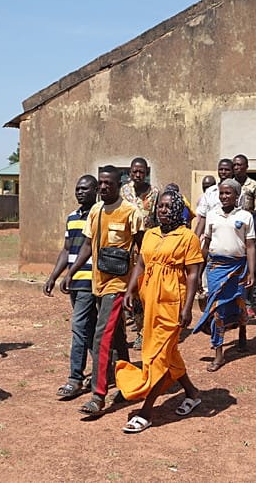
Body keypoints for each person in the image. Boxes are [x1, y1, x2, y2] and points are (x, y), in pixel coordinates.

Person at [114, 190, 204, 433]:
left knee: (158, 356)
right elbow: (141, 264)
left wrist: (188, 308)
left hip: (173, 303)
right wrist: (130, 290)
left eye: (167, 206)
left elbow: (193, 274)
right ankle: (192, 392)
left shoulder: (188, 238)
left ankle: (146, 411)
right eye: (160, 206)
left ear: (177, 210)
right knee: (168, 352)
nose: (163, 210)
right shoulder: (151, 234)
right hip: (150, 301)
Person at [63, 165, 144, 417]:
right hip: (98, 282)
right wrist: (71, 272)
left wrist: (135, 286)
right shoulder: (96, 211)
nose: (104, 186)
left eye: (109, 183)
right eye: (101, 182)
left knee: (101, 336)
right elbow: (88, 245)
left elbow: (143, 250)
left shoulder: (130, 212)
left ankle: (98, 396)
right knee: (117, 335)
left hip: (119, 285)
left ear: (119, 185)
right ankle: (129, 382)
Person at [44, 175, 99, 399]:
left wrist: (70, 274)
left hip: (89, 279)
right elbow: (67, 249)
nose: (80, 192)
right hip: (73, 280)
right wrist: (53, 276)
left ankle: (75, 378)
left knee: (78, 326)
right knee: (88, 328)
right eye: (78, 189)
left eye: (85, 189)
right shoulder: (72, 217)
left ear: (95, 190)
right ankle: (106, 370)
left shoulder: (99, 215)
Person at [193, 178, 256, 372]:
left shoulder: (246, 216)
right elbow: (206, 244)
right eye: (221, 193)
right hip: (216, 269)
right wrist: (199, 271)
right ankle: (218, 352)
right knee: (217, 309)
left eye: (228, 193)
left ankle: (242, 331)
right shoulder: (212, 215)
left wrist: (252, 272)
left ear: (237, 195)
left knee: (239, 303)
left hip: (238, 268)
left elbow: (250, 246)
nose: (224, 196)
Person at [120, 157, 158, 351]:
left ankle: (144, 332)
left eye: (141, 171)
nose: (138, 174)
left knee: (144, 291)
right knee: (129, 291)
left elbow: (158, 220)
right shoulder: (123, 192)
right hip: (127, 249)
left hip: (147, 248)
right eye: (135, 171)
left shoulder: (155, 193)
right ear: (129, 172)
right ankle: (130, 331)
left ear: (146, 173)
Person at [232, 154, 256, 314]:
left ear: (246, 166)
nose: (237, 168)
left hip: (247, 230)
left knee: (251, 267)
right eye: (235, 165)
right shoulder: (229, 184)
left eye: (240, 165)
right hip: (231, 230)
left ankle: (249, 302)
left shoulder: (254, 186)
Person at [193, 159, 233, 239]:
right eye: (221, 169)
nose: (223, 172)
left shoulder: (239, 191)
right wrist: (195, 239)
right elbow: (203, 217)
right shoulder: (210, 192)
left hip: (231, 235)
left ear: (232, 171)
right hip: (211, 236)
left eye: (227, 170)